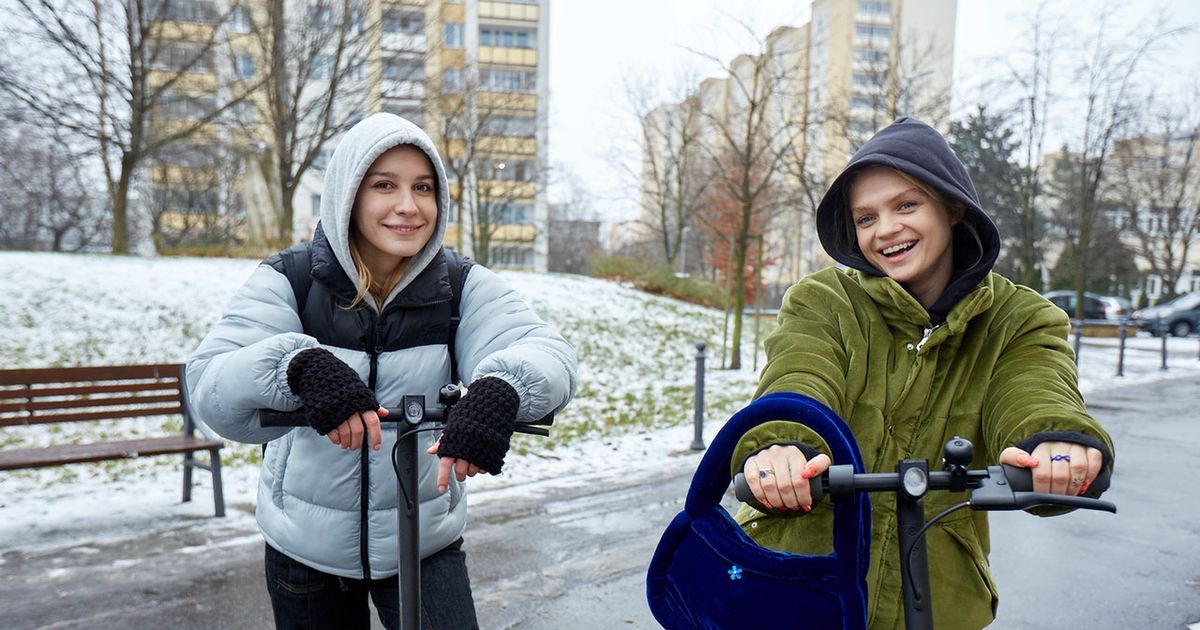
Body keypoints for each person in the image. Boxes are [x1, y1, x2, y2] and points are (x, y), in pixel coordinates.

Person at [186, 113, 577, 630]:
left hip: (424, 544)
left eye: (423, 187)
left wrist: (503, 387)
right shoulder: (292, 279)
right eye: (384, 185)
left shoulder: (459, 284)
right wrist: (295, 365)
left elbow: (546, 350)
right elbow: (211, 385)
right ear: (348, 194)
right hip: (304, 547)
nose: (408, 206)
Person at [732, 117, 1114, 629]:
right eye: (865, 218)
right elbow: (798, 377)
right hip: (801, 580)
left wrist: (1054, 445)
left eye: (906, 205)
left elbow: (1036, 387)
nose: (885, 229)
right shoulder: (825, 301)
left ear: (953, 207)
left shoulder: (1020, 319)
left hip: (939, 590)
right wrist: (783, 446)